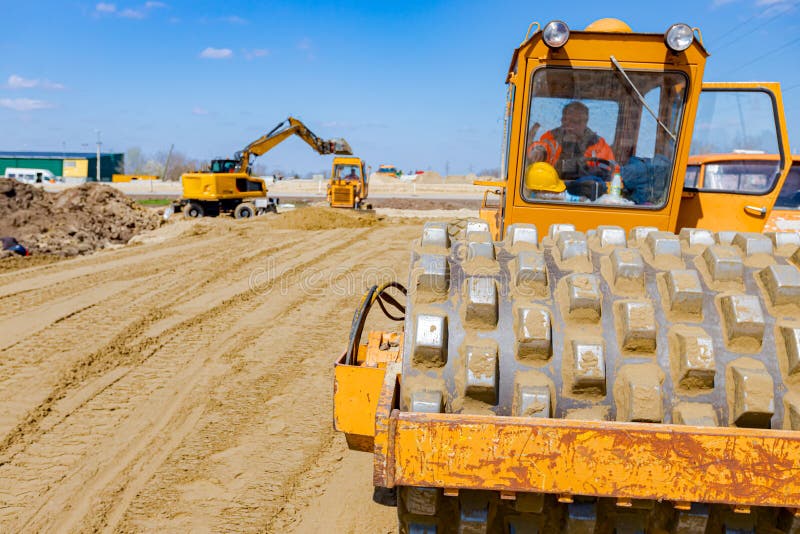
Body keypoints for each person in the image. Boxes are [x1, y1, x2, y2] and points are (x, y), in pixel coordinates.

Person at [527, 101, 615, 180]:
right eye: (565, 120)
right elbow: (542, 146)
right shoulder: (552, 137)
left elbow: (613, 171)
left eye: (575, 122)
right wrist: (537, 151)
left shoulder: (598, 144)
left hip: (587, 192)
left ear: (585, 122)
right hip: (551, 190)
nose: (569, 125)